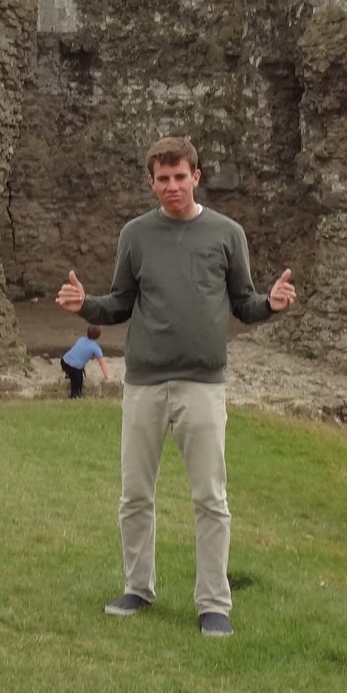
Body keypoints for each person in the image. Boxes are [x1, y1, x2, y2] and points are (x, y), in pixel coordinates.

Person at [56, 134, 295, 637]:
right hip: (144, 382)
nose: (171, 187)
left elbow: (244, 303)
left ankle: (213, 604)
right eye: (162, 179)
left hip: (203, 386)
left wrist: (270, 305)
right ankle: (137, 589)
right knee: (135, 495)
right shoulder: (136, 235)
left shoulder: (227, 234)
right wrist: (86, 306)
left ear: (196, 177)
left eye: (179, 177)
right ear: (152, 182)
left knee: (210, 498)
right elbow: (120, 302)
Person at [60, 324, 110, 399]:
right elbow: (102, 363)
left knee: (73, 370)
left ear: (87, 333)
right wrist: (107, 375)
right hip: (75, 369)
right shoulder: (96, 348)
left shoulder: (81, 339)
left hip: (64, 362)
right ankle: (75, 396)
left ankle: (69, 374)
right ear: (98, 337)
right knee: (78, 383)